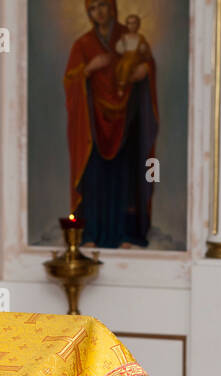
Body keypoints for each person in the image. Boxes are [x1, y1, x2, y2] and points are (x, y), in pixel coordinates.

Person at [64, 0, 159, 248]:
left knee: (128, 175)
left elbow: (147, 60)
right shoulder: (82, 45)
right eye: (93, 8)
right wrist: (88, 69)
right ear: (88, 13)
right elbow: (70, 81)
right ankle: (91, 233)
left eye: (103, 5)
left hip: (127, 118)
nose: (99, 12)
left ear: (113, 6)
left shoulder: (129, 36)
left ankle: (127, 234)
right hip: (93, 123)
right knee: (95, 176)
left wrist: (145, 70)